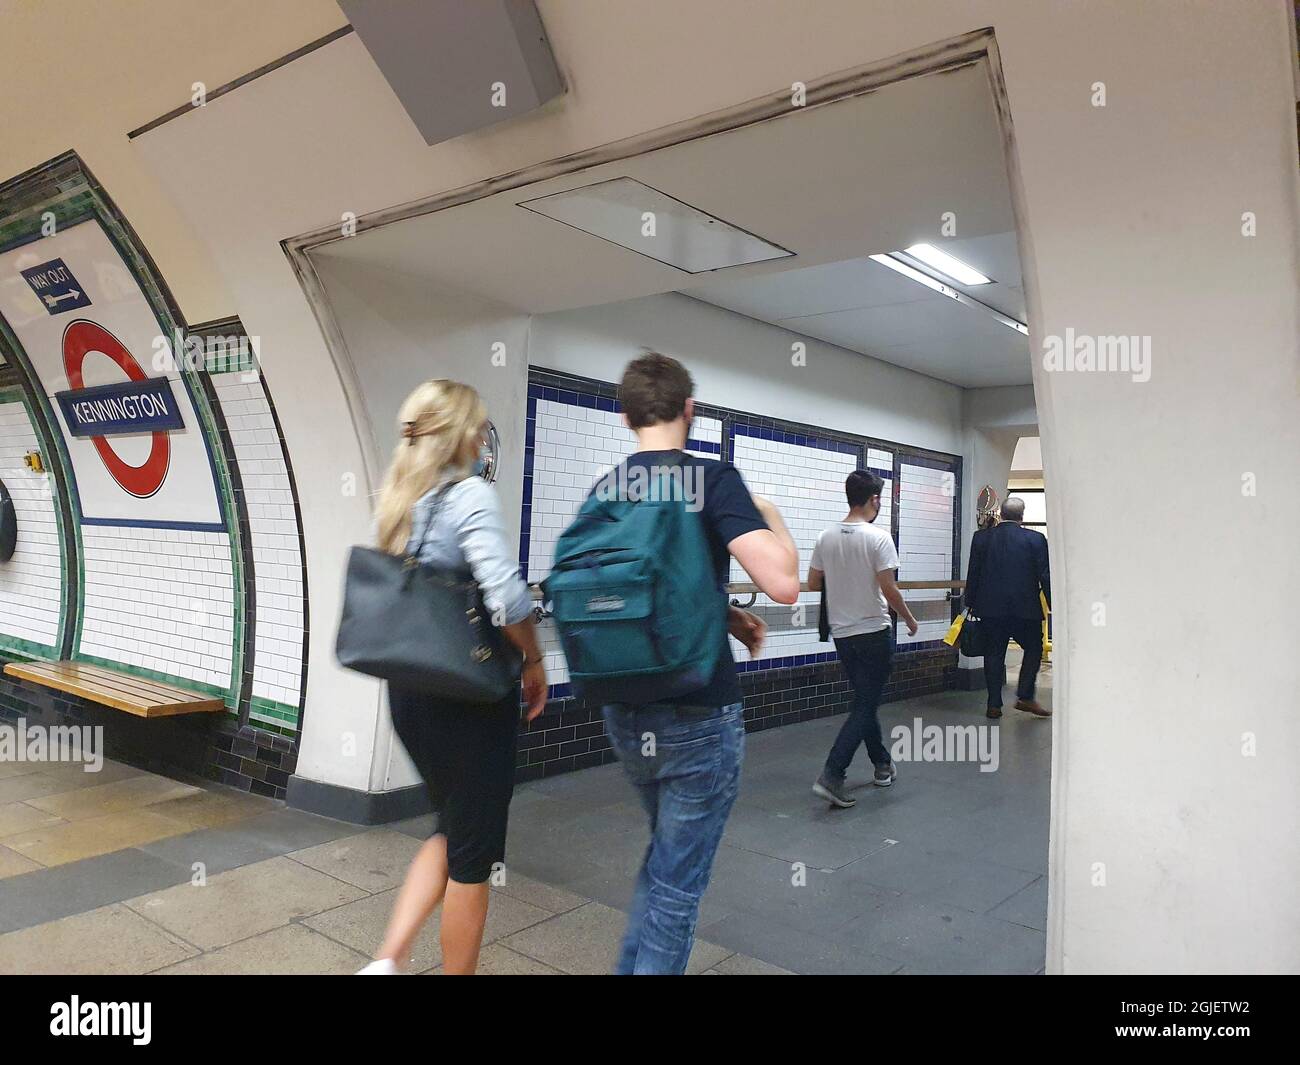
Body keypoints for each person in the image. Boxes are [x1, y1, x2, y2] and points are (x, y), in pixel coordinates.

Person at [597, 352, 799, 975]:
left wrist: (724, 615)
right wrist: (771, 517)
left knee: (665, 863)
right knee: (679, 888)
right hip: (697, 715)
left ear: (626, 413)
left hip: (625, 711)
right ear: (691, 410)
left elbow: (640, 590)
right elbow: (784, 583)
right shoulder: (711, 479)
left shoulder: (609, 488)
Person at [358, 380, 547, 975]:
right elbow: (507, 599)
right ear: (464, 435)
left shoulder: (400, 499)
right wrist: (535, 661)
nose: (482, 437)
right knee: (475, 855)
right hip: (467, 696)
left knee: (451, 826)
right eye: (479, 426)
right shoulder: (467, 496)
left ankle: (387, 960)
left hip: (410, 695)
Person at [808, 470, 918, 809]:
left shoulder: (825, 537)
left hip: (842, 635)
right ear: (873, 499)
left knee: (864, 700)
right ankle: (832, 773)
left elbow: (813, 584)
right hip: (873, 632)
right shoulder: (878, 538)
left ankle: (882, 764)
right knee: (866, 704)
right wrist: (911, 619)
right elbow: (888, 587)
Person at [963, 496, 1051, 719]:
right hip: (1025, 609)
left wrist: (970, 602)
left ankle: (994, 705)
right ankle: (1025, 696)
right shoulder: (1036, 539)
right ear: (1022, 516)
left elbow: (974, 573)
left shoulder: (981, 538)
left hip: (991, 609)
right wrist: (1053, 605)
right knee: (1033, 649)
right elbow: (1045, 575)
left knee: (993, 653)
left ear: (1001, 514)